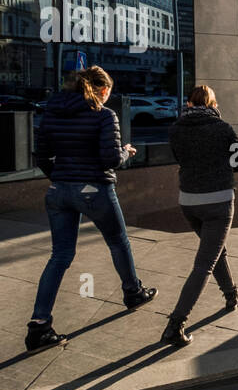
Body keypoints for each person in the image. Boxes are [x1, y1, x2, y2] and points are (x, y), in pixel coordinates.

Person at [26, 66, 155, 352]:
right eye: (109, 90)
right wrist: (127, 152)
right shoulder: (105, 116)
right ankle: (133, 293)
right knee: (118, 242)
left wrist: (61, 178)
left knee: (59, 256)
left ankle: (39, 326)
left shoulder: (52, 112)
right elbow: (109, 158)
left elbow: (42, 155)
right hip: (94, 190)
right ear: (102, 90)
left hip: (58, 191)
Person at [162, 85, 238, 348]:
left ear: (189, 104)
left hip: (189, 202)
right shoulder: (223, 128)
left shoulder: (176, 128)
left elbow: (178, 158)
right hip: (218, 202)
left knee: (215, 251)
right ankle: (175, 324)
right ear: (212, 104)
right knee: (204, 264)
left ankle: (232, 295)